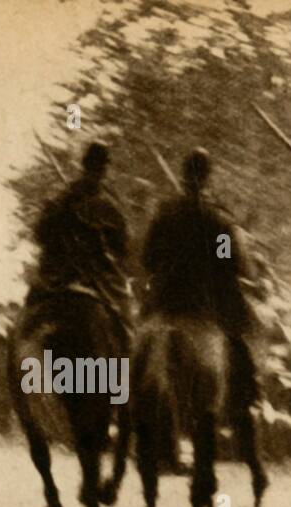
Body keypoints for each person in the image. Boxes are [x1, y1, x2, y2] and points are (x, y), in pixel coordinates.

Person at [141, 147, 259, 413]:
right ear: (209, 177)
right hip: (205, 308)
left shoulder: (165, 214)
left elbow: (148, 259)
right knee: (240, 360)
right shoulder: (219, 219)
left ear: (183, 175)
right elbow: (229, 266)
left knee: (138, 353)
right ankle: (246, 421)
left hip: (166, 305)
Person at [29, 141, 131, 333]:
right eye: (102, 167)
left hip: (57, 278)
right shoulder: (109, 203)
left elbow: (40, 235)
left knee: (27, 319)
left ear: (83, 166)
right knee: (126, 325)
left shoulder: (62, 196)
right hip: (98, 278)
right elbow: (123, 247)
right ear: (104, 169)